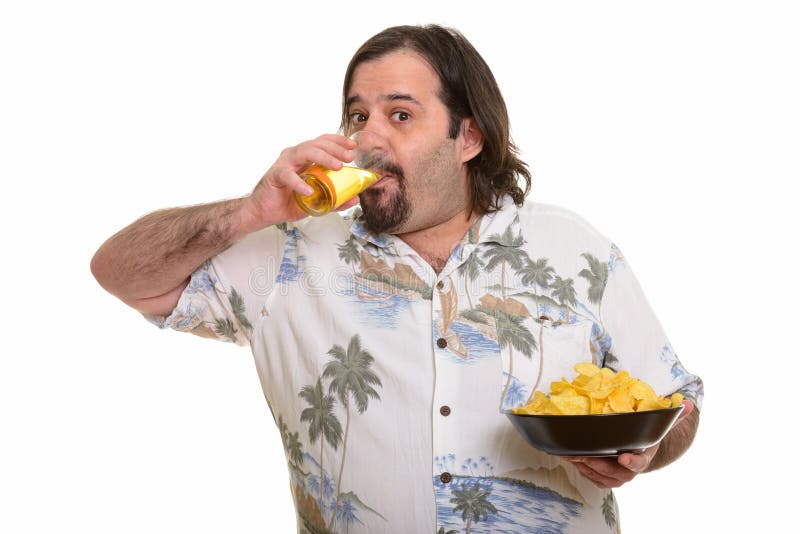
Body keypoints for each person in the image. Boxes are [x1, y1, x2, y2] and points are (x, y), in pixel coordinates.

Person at [91, 24, 703, 534]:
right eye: (357, 115)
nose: (366, 140)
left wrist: (643, 451)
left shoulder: (572, 247)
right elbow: (119, 273)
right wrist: (251, 213)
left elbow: (677, 403)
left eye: (400, 115)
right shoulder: (286, 256)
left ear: (468, 138)